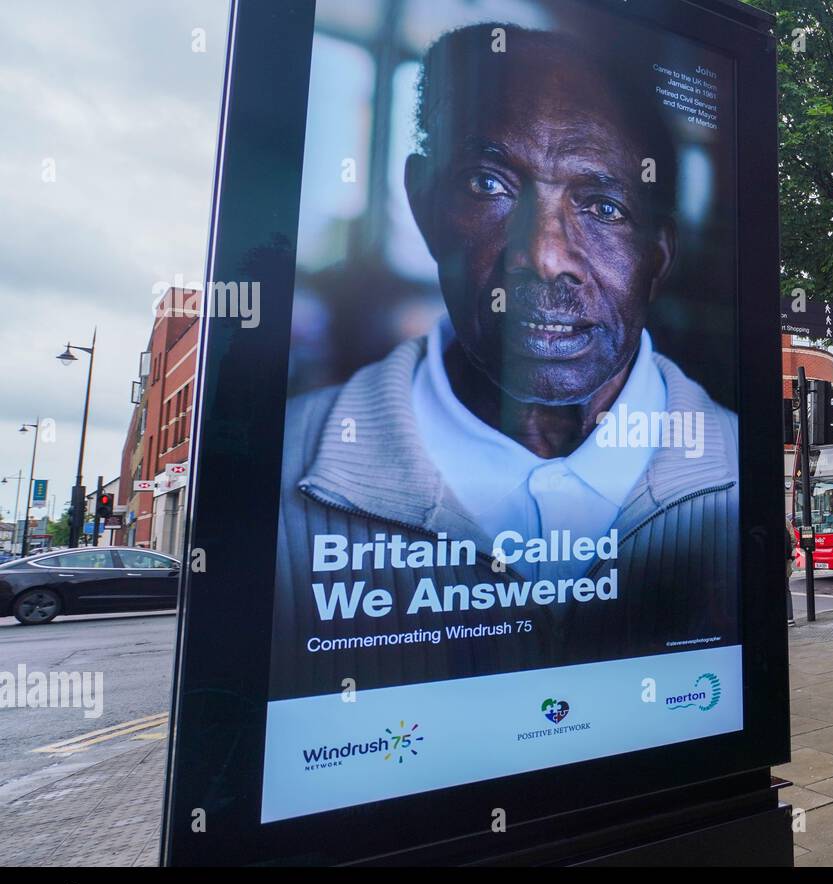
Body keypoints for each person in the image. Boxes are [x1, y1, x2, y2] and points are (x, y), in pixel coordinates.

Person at [272, 25, 738, 683]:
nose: (543, 256)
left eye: (602, 206)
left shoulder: (737, 474)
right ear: (425, 203)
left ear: (658, 256)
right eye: (489, 184)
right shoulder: (287, 467)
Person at [785, 514, 800, 626]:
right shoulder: (786, 522)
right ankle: (789, 618)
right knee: (786, 590)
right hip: (785, 563)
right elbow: (794, 540)